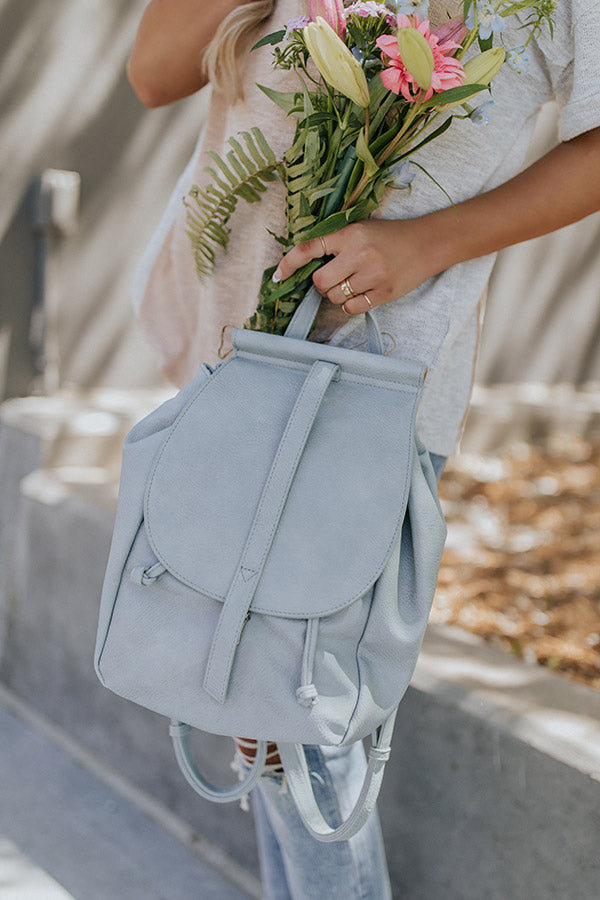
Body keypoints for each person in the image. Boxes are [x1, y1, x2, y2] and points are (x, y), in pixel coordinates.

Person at [127, 2, 600, 897]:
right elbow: (153, 75)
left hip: (367, 388)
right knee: (260, 717)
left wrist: (425, 243)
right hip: (227, 358)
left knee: (299, 723)